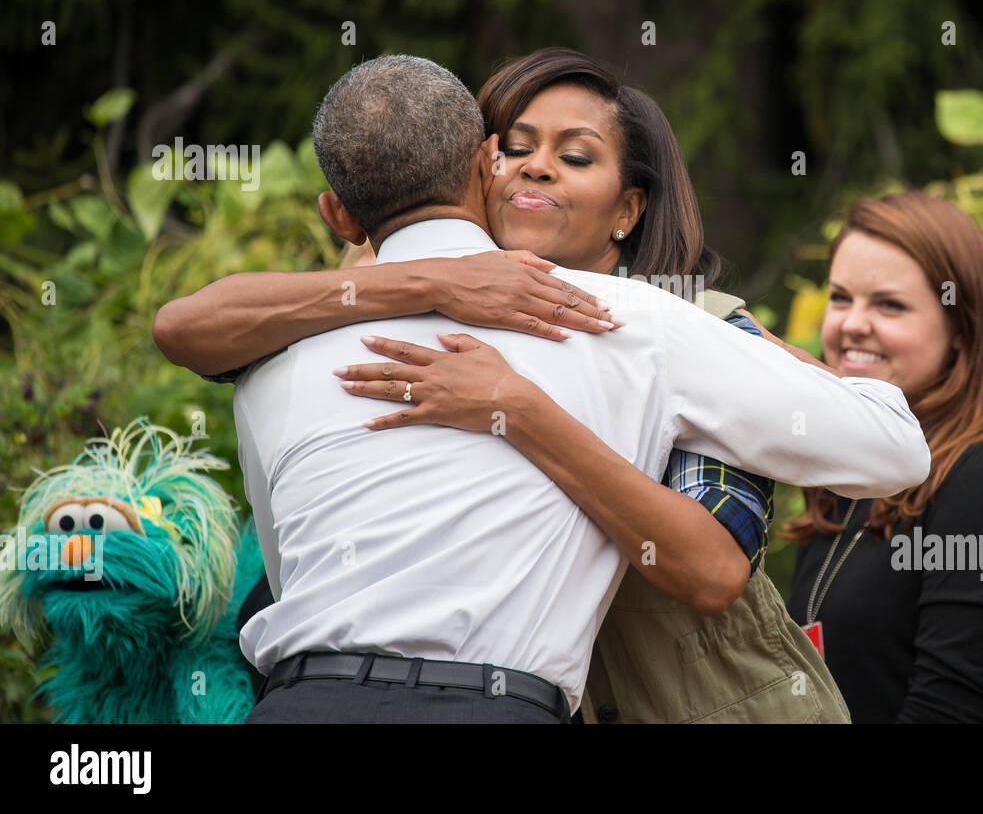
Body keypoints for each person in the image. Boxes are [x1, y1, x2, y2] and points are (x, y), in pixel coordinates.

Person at [155, 53, 930, 723]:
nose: (536, 167)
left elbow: (717, 567)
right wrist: (435, 282)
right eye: (518, 147)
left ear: (629, 209)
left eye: (577, 155)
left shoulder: (663, 327)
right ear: (482, 163)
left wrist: (518, 410)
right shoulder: (305, 323)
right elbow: (183, 326)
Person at [781, 193, 983, 723]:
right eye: (841, 298)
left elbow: (948, 711)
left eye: (889, 305)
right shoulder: (843, 482)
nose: (853, 324)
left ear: (961, 328)